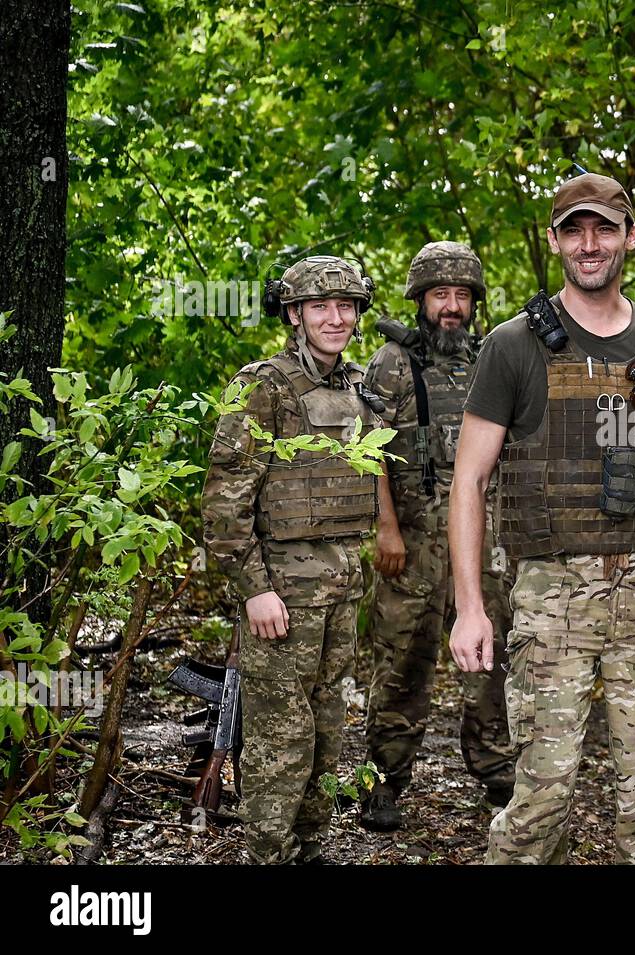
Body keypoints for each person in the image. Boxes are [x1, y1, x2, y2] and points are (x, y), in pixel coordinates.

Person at [448, 173, 635, 864]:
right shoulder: (515, 345)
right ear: (554, 241)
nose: (590, 243)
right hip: (551, 596)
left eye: (605, 228)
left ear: (631, 237)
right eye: (574, 229)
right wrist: (469, 607)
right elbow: (469, 478)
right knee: (543, 792)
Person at [202, 255, 397, 862]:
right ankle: (268, 853)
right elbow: (224, 501)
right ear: (294, 313)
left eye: (347, 306)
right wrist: (254, 588)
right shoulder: (265, 385)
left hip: (342, 589)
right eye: (321, 307)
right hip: (282, 595)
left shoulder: (359, 388)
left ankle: (310, 847)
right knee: (278, 739)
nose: (336, 318)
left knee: (326, 730)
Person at [359, 241, 515, 830]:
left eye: (461, 295)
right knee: (402, 661)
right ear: (420, 299)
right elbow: (367, 452)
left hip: (483, 540)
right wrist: (386, 527)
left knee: (488, 659)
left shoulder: (491, 358)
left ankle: (496, 767)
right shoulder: (393, 365)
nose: (451, 307)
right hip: (415, 539)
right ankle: (385, 779)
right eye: (439, 295)